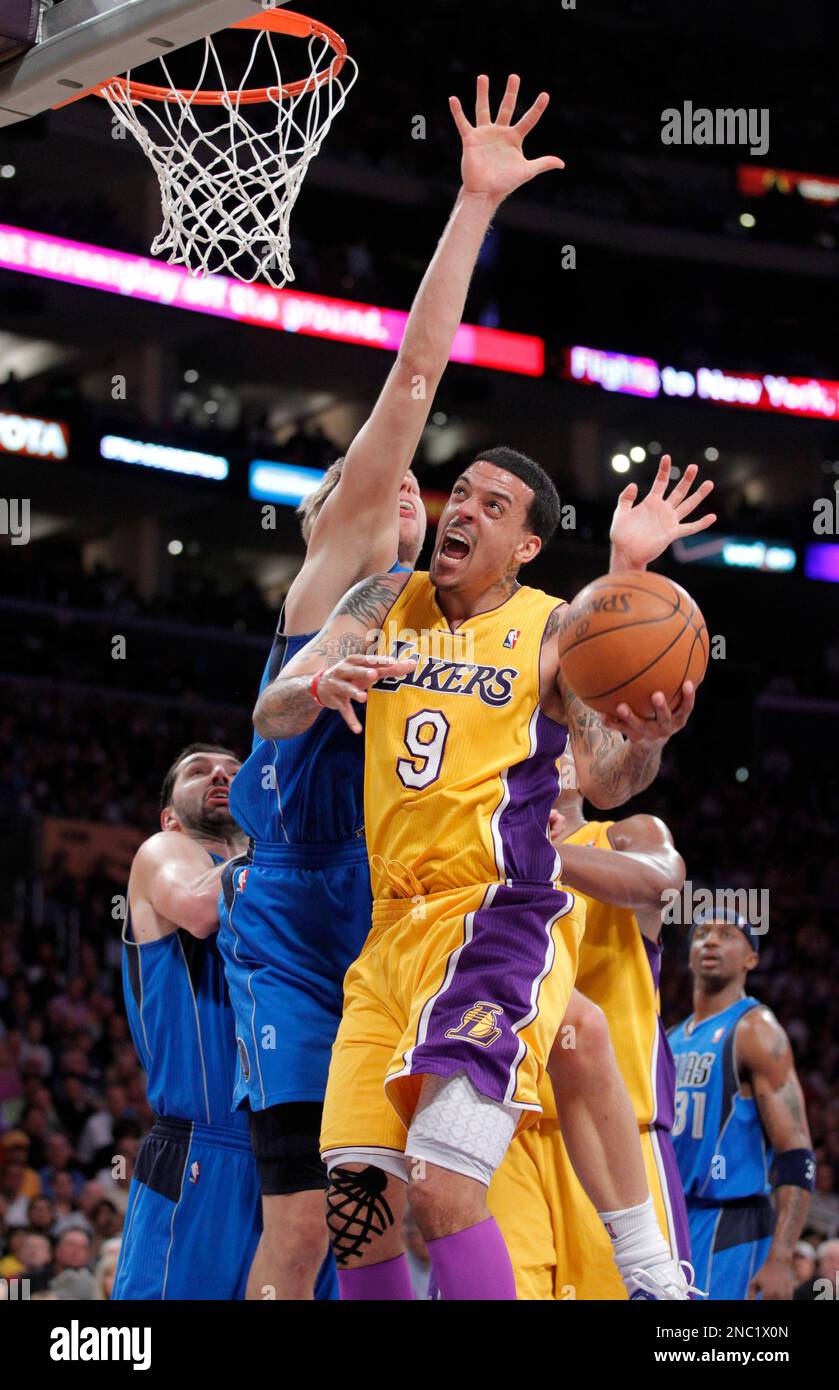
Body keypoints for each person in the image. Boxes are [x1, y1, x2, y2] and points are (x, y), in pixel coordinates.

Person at [218, 72, 566, 1301]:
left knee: (382, 1208)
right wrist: (471, 205)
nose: (414, 494)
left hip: (393, 896)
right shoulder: (351, 568)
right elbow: (412, 381)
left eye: (451, 496)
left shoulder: (438, 612)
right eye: (397, 485)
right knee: (316, 1223)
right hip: (295, 906)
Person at [254, 436, 702, 1298]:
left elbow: (607, 778)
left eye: (493, 507)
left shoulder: (556, 625)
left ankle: (648, 1270)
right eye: (459, 492)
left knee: (443, 1187)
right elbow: (271, 713)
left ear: (527, 546)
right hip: (389, 930)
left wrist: (644, 740)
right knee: (354, 1205)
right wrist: (316, 685)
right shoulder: (383, 598)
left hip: (498, 914)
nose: (461, 510)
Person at [487, 746, 691, 1298]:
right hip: (504, 1132)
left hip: (616, 1140)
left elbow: (662, 882)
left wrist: (542, 853)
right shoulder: (485, 848)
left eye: (571, 734)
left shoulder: (626, 832)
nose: (557, 745)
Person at [111, 745, 270, 1301]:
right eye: (199, 770)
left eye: (232, 769)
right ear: (169, 814)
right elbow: (203, 912)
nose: (221, 774)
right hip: (200, 1148)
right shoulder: (165, 851)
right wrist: (287, 844)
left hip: (293, 1143)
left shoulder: (273, 874)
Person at [669, 908, 814, 1299]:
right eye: (702, 933)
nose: (711, 940)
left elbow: (796, 1152)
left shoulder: (755, 1029)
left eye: (727, 934)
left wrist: (781, 1258)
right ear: (688, 956)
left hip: (732, 1223)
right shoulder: (669, 1040)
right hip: (673, 1220)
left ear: (752, 958)